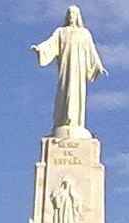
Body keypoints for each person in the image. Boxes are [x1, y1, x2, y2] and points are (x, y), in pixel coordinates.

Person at [31, 5, 106, 138]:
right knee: (64, 93)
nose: (72, 16)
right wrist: (40, 49)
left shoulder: (84, 33)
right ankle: (63, 121)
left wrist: (99, 66)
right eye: (69, 13)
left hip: (79, 69)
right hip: (66, 70)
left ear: (78, 16)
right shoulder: (61, 32)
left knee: (77, 94)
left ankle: (76, 122)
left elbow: (92, 51)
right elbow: (50, 43)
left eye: (74, 13)